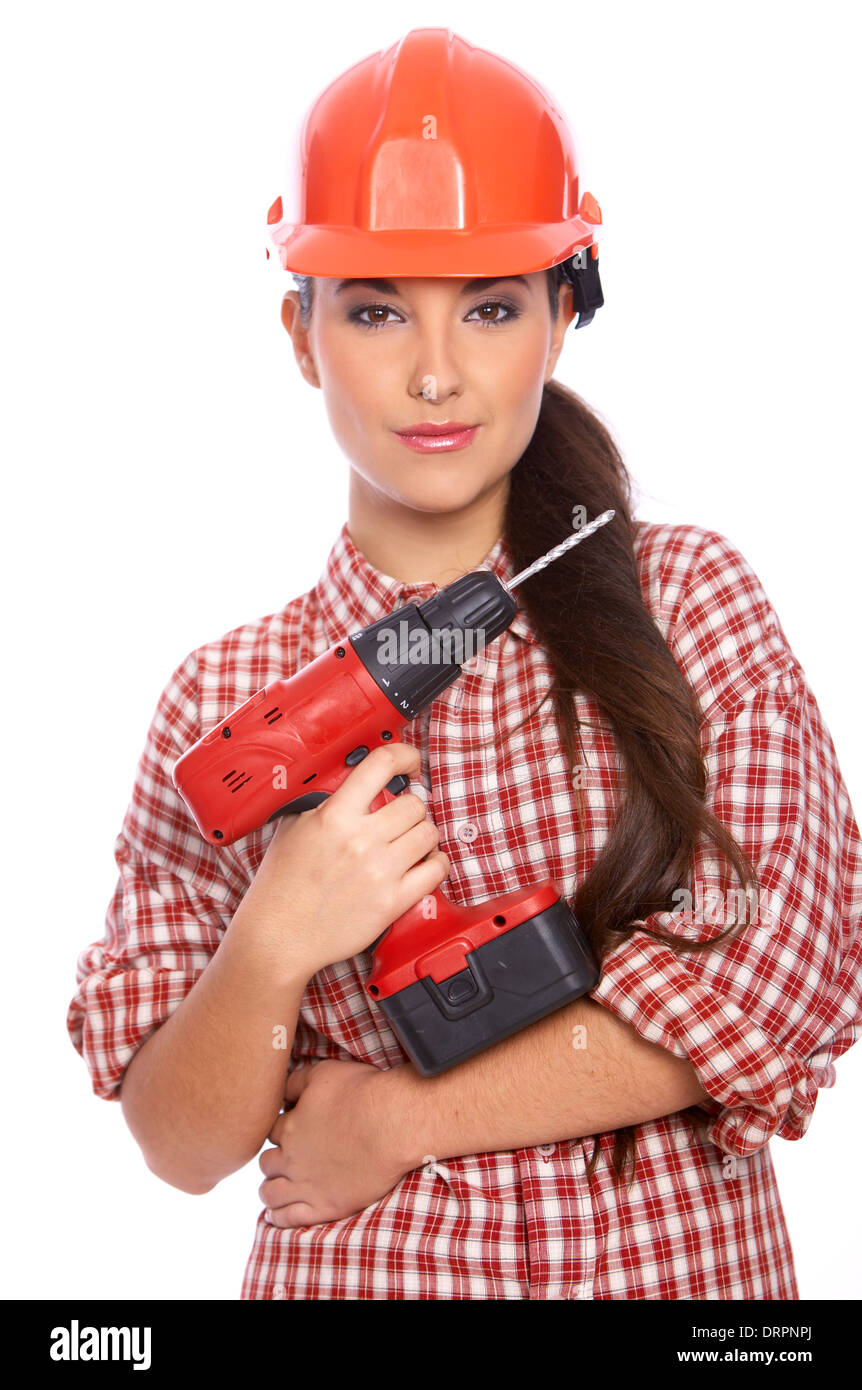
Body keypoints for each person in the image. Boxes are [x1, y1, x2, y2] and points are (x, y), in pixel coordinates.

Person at [67, 27, 862, 1301]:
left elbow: (770, 985)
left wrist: (399, 1120)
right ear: (299, 331)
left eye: (490, 306)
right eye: (376, 309)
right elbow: (178, 1142)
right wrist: (274, 939)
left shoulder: (691, 606)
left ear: (560, 316)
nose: (434, 373)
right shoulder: (225, 700)